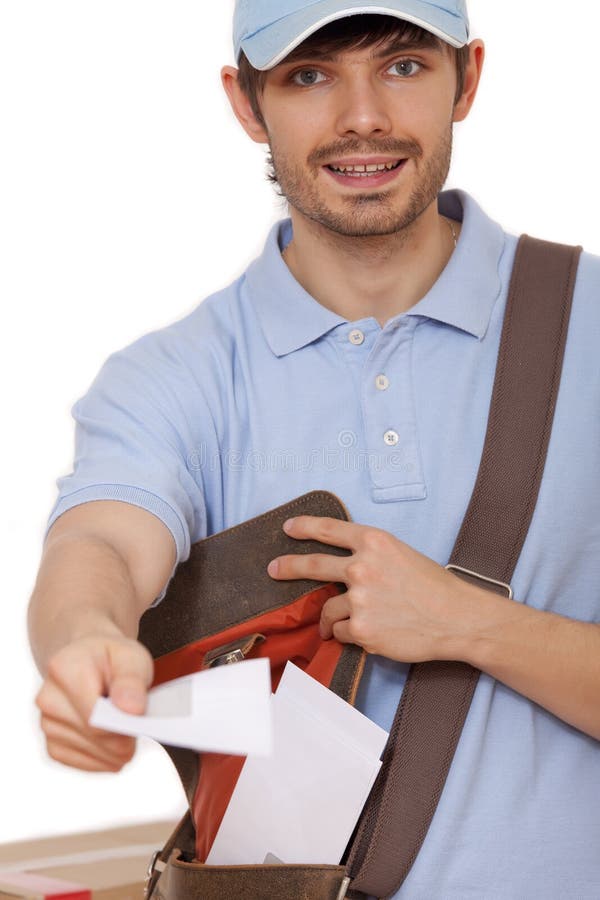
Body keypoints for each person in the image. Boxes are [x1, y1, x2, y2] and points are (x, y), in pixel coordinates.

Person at [28, 1, 600, 896]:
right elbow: (100, 538)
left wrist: (473, 625)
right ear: (246, 103)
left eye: (403, 66)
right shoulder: (177, 375)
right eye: (309, 74)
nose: (362, 116)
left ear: (470, 78)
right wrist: (87, 639)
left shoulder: (591, 327)